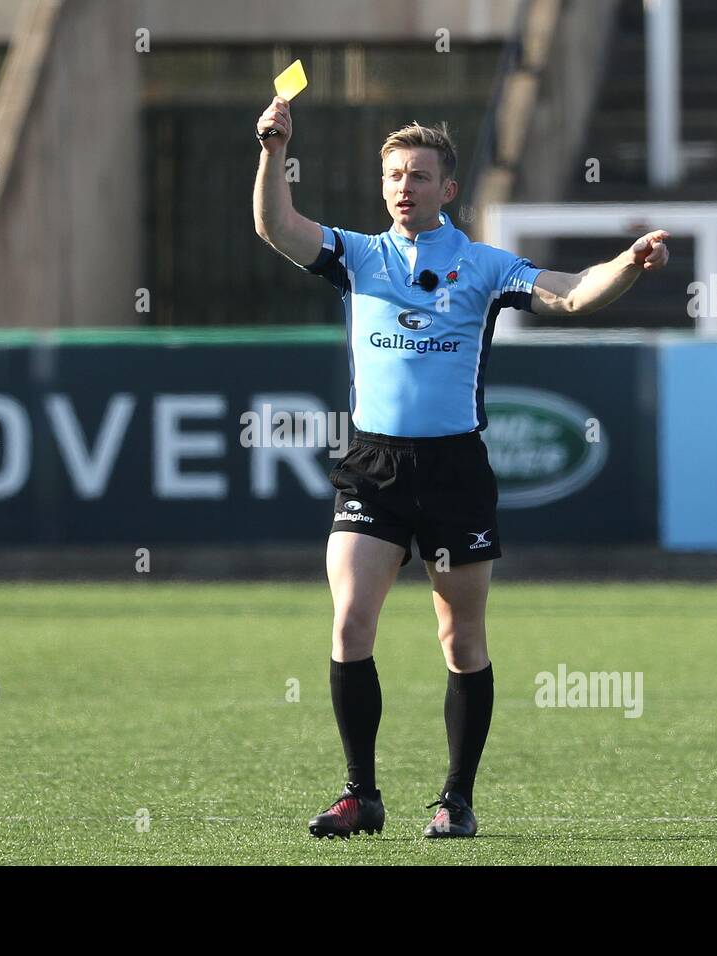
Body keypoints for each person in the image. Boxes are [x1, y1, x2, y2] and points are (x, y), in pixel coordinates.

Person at [252, 95, 670, 839]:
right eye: (393, 175)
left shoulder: (482, 267)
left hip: (453, 473)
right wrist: (274, 148)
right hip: (371, 467)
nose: (403, 186)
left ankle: (456, 800)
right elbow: (275, 226)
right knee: (349, 622)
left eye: (418, 175)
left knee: (461, 640)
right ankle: (360, 795)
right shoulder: (358, 255)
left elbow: (569, 294)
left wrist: (628, 265)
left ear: (448, 189)